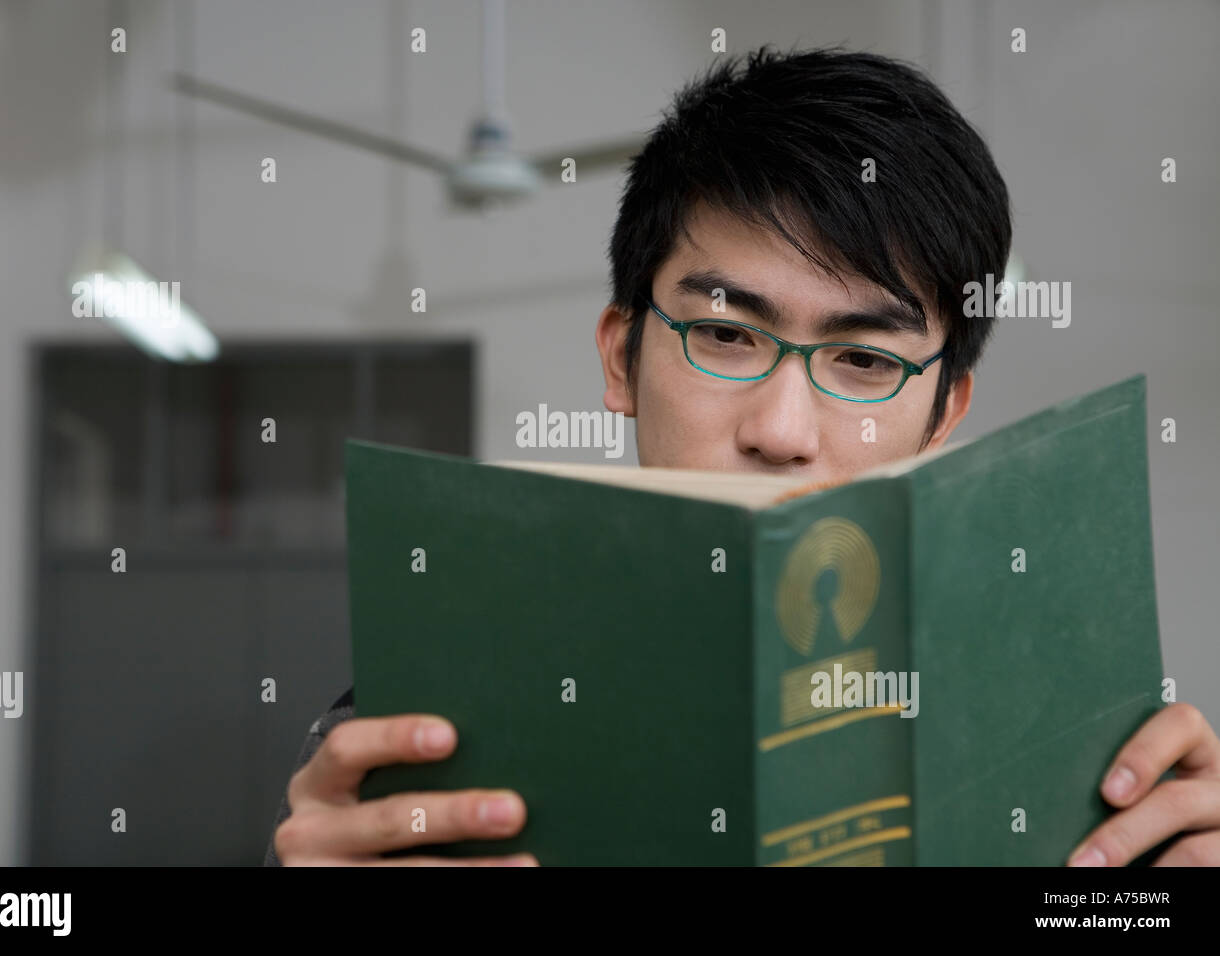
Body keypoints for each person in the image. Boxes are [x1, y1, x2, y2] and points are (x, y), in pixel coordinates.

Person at [265, 46, 1220, 867]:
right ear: (621, 357)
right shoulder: (431, 715)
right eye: (726, 335)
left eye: (864, 359)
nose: (784, 430)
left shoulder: (1060, 730)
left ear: (943, 414)